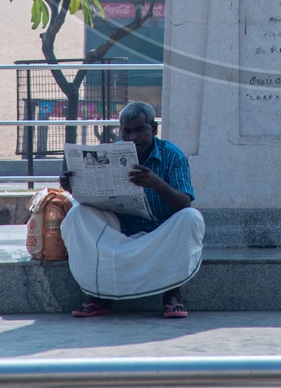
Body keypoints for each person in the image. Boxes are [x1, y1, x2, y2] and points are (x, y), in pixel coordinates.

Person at [59, 101, 204, 320]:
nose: (132, 137)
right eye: (126, 131)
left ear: (153, 130)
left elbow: (184, 203)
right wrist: (75, 187)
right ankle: (97, 295)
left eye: (139, 130)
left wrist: (157, 183)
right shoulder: (110, 153)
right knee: (76, 215)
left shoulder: (173, 156)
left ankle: (172, 295)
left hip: (161, 231)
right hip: (119, 229)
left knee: (191, 218)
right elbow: (92, 202)